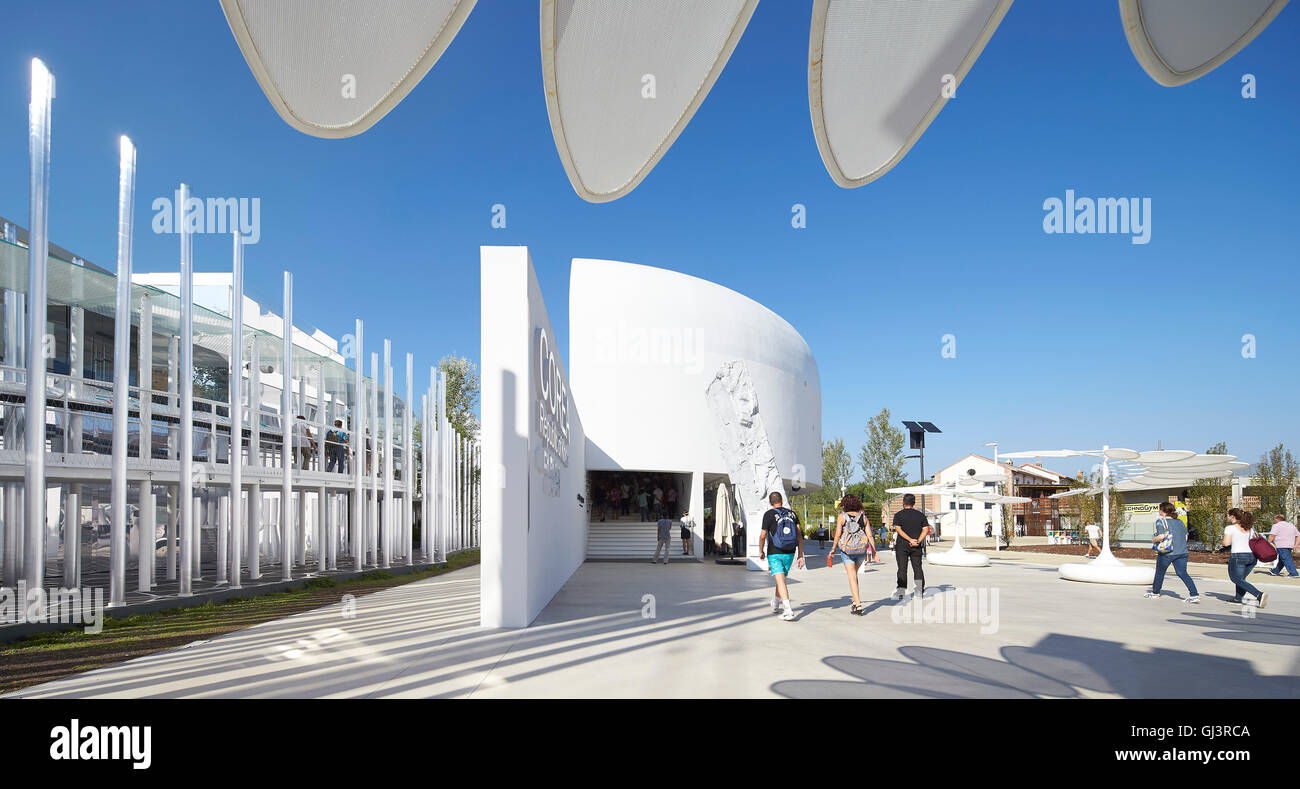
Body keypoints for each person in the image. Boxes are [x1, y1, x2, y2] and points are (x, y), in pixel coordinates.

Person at [759, 491, 804, 621]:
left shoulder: (768, 515)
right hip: (790, 552)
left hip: (775, 552)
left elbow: (763, 535)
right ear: (782, 501)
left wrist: (761, 550)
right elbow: (799, 536)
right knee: (781, 580)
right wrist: (800, 555)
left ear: (770, 503)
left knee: (781, 580)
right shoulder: (792, 514)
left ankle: (788, 610)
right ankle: (775, 603)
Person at [832, 494, 880, 615]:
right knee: (854, 576)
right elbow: (870, 536)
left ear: (844, 504)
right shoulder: (863, 518)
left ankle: (858, 605)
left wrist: (833, 548)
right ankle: (854, 601)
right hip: (860, 551)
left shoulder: (842, 517)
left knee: (852, 577)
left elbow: (838, 534)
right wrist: (874, 552)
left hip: (847, 551)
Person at [1145, 501, 1199, 603]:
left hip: (1167, 553)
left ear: (1163, 511)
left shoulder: (1160, 521)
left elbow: (1161, 536)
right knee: (1182, 573)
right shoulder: (1180, 522)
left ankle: (1155, 593)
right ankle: (1194, 594)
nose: (1159, 511)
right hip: (1182, 552)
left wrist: (1153, 540)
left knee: (1160, 572)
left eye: (1159, 509)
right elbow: (1186, 537)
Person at [1223, 508, 1267, 607]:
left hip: (1238, 555)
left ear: (1232, 516)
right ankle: (1238, 598)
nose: (1227, 517)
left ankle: (1258, 594)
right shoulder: (1250, 528)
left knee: (1235, 578)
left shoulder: (1230, 528)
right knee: (1241, 579)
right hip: (1252, 556)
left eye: (1228, 515)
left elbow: (1226, 543)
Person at [892, 493, 929, 599]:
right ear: (914, 503)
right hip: (916, 546)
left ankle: (901, 592)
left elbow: (898, 529)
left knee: (902, 569)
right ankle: (919, 592)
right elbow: (925, 529)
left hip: (902, 546)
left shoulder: (898, 515)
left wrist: (909, 539)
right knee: (917, 568)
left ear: (903, 502)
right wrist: (917, 541)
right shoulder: (920, 515)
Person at [1266, 513, 1298, 578]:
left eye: (1274, 519)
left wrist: (1266, 544)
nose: (1274, 520)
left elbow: (1272, 535)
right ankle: (1275, 571)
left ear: (1277, 519)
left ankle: (1293, 573)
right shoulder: (1291, 525)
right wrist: (1296, 545)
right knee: (1282, 559)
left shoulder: (1276, 526)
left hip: (1281, 545)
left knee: (1286, 559)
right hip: (1290, 545)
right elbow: (1298, 535)